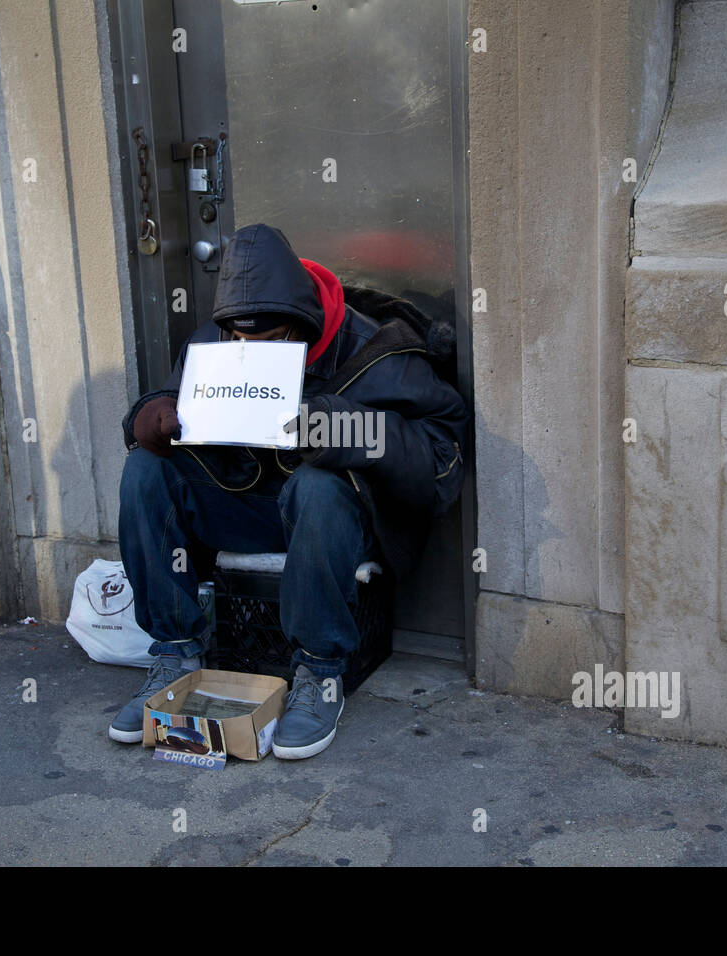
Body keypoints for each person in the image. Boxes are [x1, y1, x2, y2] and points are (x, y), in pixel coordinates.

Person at [108, 223, 468, 759]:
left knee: (317, 486)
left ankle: (321, 672)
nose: (250, 350)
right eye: (240, 338)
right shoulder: (218, 338)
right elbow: (168, 406)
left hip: (342, 518)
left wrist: (339, 428)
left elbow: (443, 461)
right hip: (250, 499)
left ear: (302, 323)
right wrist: (150, 416)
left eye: (270, 340)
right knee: (146, 471)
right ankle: (174, 654)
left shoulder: (375, 348)